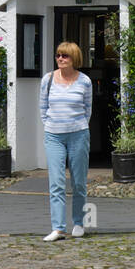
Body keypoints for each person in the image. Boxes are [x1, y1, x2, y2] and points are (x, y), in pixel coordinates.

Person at [40, 41, 92, 241]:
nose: (60, 59)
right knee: (56, 183)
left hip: (78, 134)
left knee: (79, 182)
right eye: (58, 55)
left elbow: (87, 109)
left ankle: (79, 222)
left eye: (65, 56)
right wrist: (50, 125)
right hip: (54, 135)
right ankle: (58, 228)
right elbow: (43, 107)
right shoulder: (48, 80)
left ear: (74, 59)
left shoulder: (85, 81)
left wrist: (77, 126)